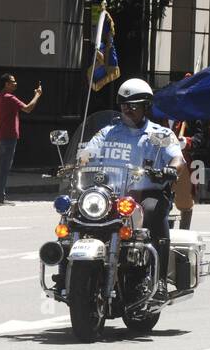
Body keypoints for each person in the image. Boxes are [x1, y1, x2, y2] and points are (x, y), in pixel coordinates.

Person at [78, 78, 183, 289]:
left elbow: (177, 158)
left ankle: (159, 278)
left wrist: (171, 169)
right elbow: (86, 154)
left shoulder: (159, 135)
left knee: (152, 212)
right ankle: (71, 273)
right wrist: (78, 162)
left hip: (146, 193)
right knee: (76, 214)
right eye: (124, 105)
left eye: (133, 105)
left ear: (146, 106)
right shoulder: (108, 133)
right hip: (111, 194)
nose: (128, 109)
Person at [0, 73, 43, 206]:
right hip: (9, 136)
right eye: (12, 82)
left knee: (4, 166)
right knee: (5, 167)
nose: (15, 83)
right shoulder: (10, 98)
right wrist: (37, 95)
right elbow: (28, 108)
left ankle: (0, 196)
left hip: (2, 135)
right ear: (6, 84)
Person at [169, 113, 204, 229]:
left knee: (185, 200)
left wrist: (187, 142)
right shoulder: (155, 113)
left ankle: (184, 232)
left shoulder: (190, 115)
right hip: (158, 160)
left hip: (182, 161)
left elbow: (199, 137)